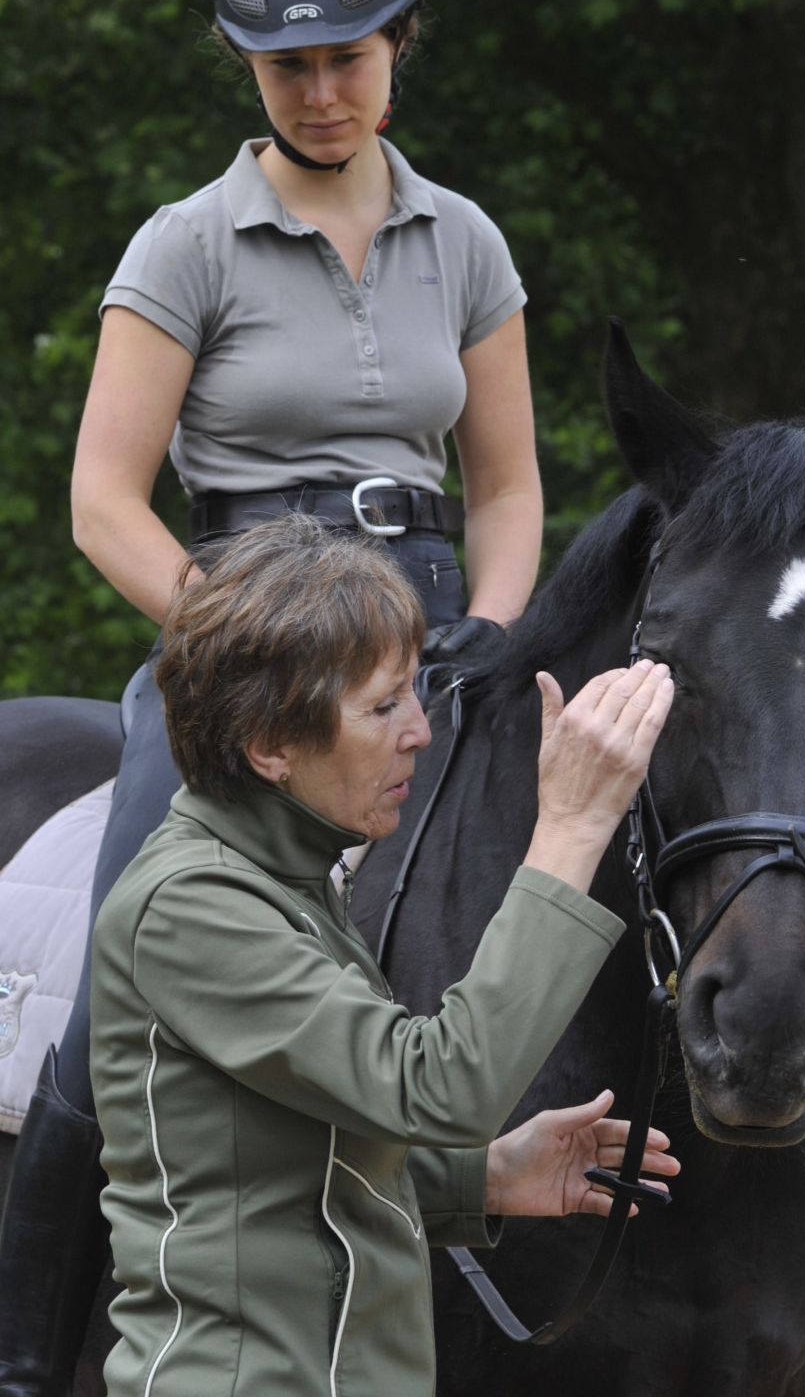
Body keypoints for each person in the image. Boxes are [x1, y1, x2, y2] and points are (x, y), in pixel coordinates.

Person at [0, 0, 543, 1397]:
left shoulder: (468, 244)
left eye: (349, 55)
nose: (320, 90)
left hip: (437, 637)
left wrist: (491, 630)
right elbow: (106, 502)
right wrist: (249, 656)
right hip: (238, 652)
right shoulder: (187, 245)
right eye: (286, 62)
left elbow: (506, 487)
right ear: (247, 65)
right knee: (122, 985)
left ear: (400, 44)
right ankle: (30, 1361)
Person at [90, 515, 677, 1395]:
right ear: (270, 746)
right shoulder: (193, 904)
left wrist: (483, 1178)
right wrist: (572, 827)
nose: (420, 732)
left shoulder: (286, 873)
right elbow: (441, 1087)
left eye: (413, 694)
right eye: (382, 705)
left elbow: (280, 1170)